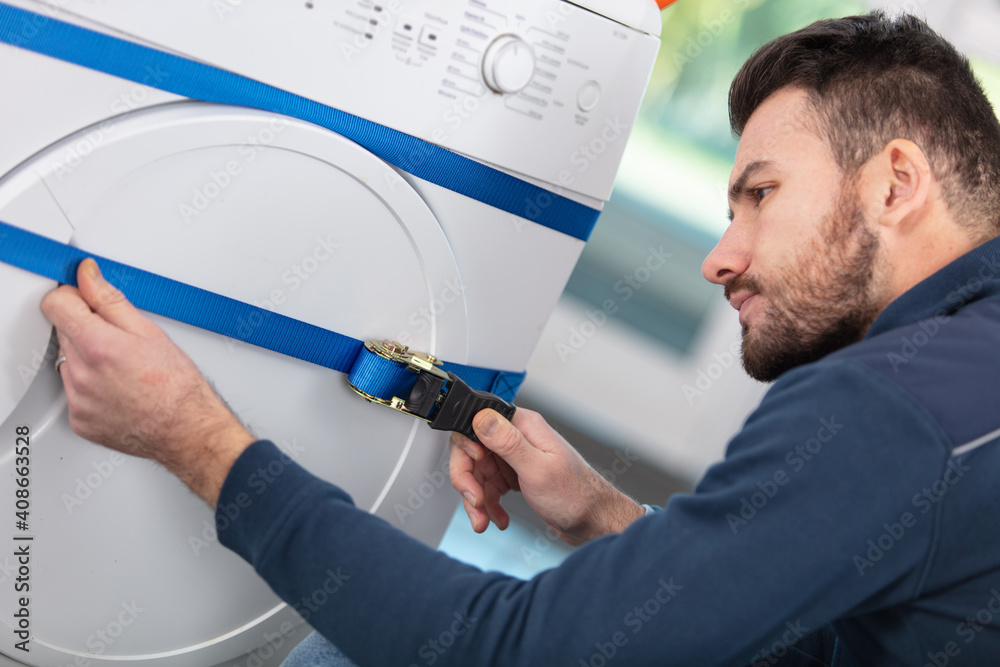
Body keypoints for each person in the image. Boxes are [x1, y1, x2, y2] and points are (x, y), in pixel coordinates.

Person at [40, 10, 1000, 666]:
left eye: (761, 194)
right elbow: (827, 636)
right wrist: (596, 512)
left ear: (895, 184)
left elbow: (509, 650)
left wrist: (194, 437)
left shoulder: (895, 405)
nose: (721, 257)